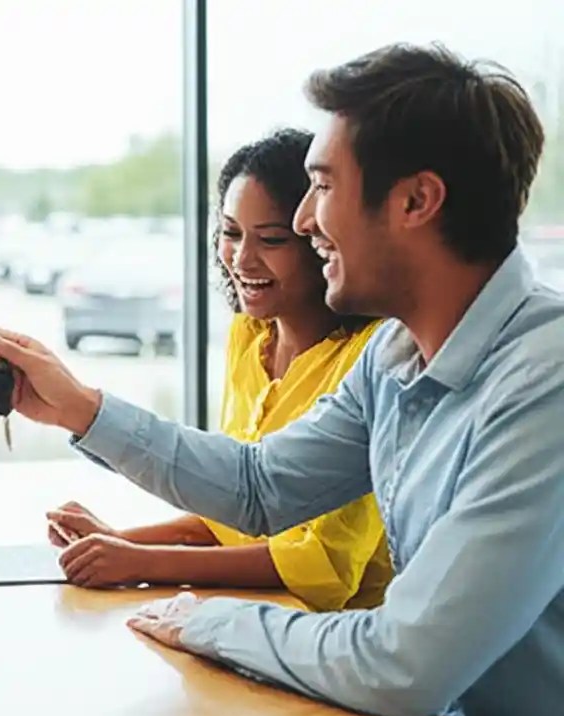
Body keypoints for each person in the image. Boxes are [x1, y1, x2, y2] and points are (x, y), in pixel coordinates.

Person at [0, 43, 562, 716]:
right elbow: (260, 487)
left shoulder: (544, 383)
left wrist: (206, 621)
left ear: (415, 200)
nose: (303, 220)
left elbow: (403, 666)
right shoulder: (395, 358)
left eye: (322, 185)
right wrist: (80, 410)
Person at [46, 129, 390, 612]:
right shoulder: (250, 335)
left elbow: (321, 567)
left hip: (337, 636)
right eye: (230, 233)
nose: (242, 259)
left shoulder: (373, 359)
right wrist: (117, 543)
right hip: (253, 614)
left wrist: (142, 562)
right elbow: (231, 513)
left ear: (322, 239)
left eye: (271, 239)